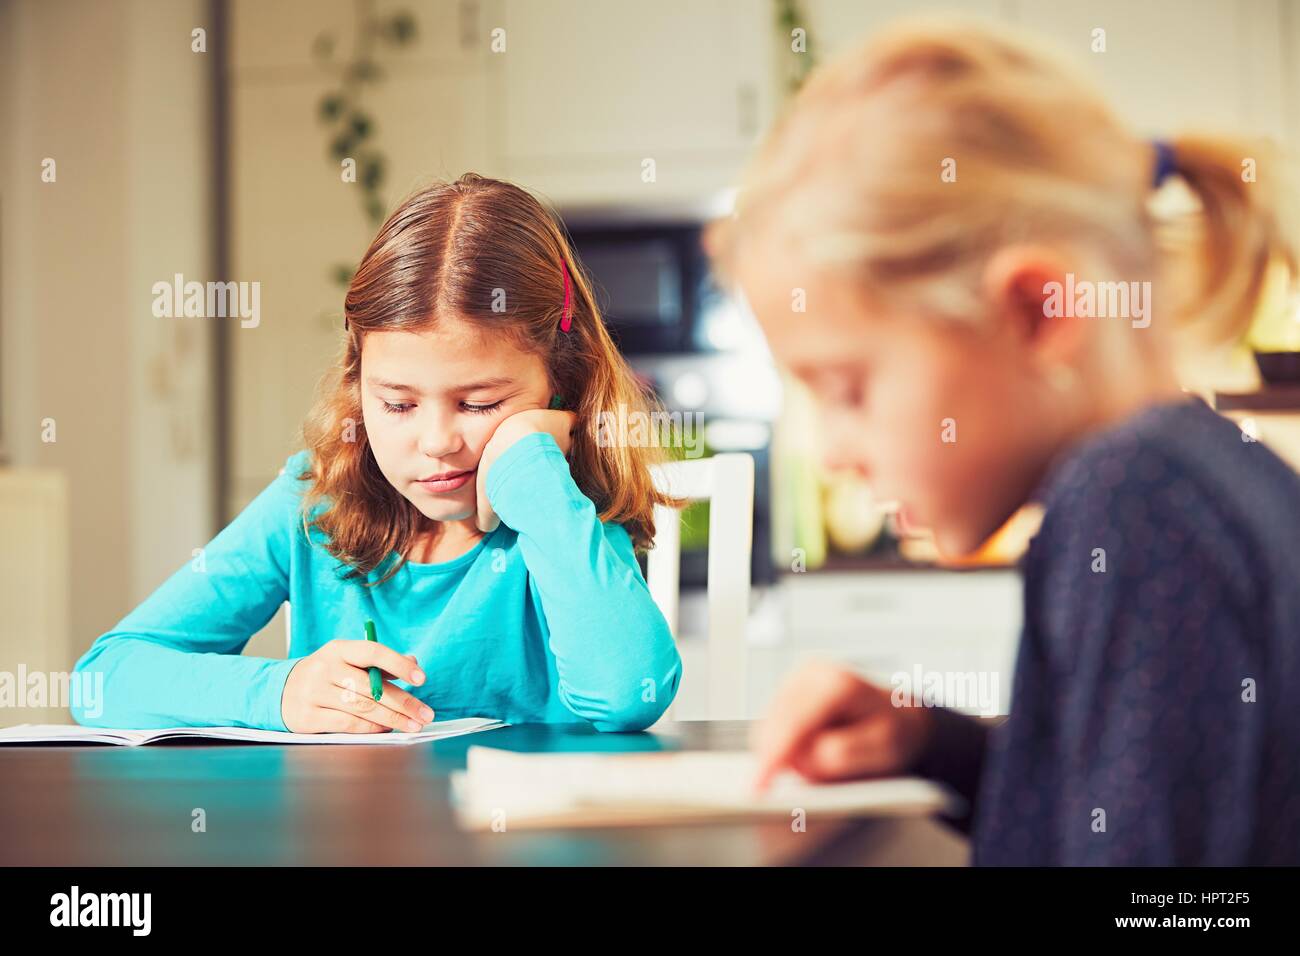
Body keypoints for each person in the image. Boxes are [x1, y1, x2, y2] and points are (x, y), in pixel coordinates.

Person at [706, 20, 1300, 864]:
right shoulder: (1182, 480)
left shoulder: (1136, 502)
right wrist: (930, 743)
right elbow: (1124, 814)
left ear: (1038, 312)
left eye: (848, 390)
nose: (833, 451)